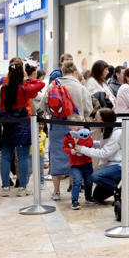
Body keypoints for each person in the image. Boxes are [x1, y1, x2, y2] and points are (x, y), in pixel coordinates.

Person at [40, 59, 93, 201]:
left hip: (56, 125)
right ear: (75, 72)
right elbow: (88, 109)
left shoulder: (53, 85)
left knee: (56, 157)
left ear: (62, 71)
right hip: (76, 126)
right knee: (75, 157)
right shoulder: (80, 87)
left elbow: (43, 106)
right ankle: (73, 187)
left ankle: (56, 191)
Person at [0, 58, 45, 196]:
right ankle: (22, 188)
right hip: (22, 124)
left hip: (7, 124)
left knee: (5, 156)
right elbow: (41, 84)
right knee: (23, 157)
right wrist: (26, 79)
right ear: (22, 73)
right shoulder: (24, 87)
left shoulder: (3, 86)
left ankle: (5, 187)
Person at [76, 108, 121, 203]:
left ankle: (120, 190)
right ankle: (117, 186)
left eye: (97, 118)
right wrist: (88, 143)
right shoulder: (106, 129)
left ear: (104, 120)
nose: (95, 120)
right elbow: (102, 144)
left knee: (95, 176)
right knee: (97, 197)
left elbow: (104, 153)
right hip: (108, 166)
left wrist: (83, 149)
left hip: (118, 166)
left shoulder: (117, 133)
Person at [62, 115, 95, 210]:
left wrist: (79, 141)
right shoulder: (67, 136)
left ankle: (88, 197)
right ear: (69, 126)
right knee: (77, 181)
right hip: (75, 164)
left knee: (89, 181)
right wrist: (70, 151)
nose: (78, 126)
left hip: (87, 162)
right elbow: (64, 147)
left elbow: (90, 144)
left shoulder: (86, 134)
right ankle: (74, 200)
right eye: (75, 124)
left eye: (80, 124)